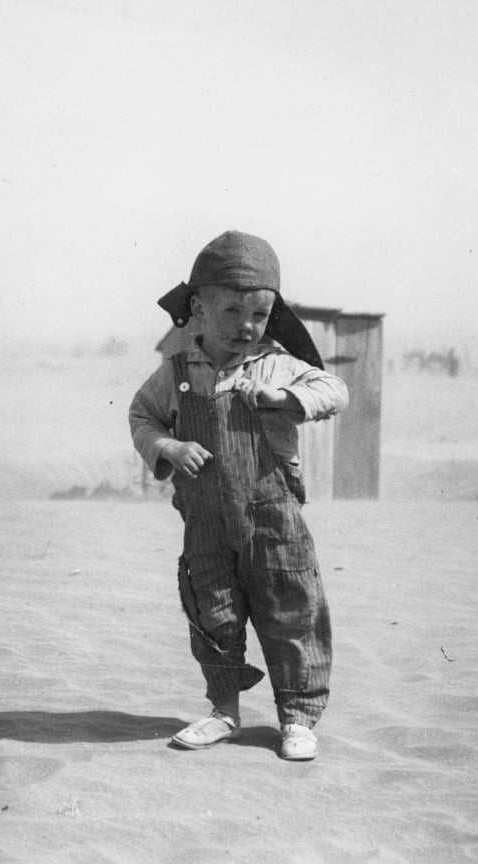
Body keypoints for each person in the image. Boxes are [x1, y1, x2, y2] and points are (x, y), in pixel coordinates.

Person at [129, 230, 348, 761]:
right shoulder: (176, 374)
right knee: (215, 616)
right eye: (232, 312)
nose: (247, 327)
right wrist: (170, 446)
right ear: (198, 310)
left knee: (291, 614)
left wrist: (285, 398)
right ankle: (224, 712)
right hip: (206, 525)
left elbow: (334, 391)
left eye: (260, 314)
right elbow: (142, 416)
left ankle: (296, 719)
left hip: (274, 524)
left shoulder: (276, 363)